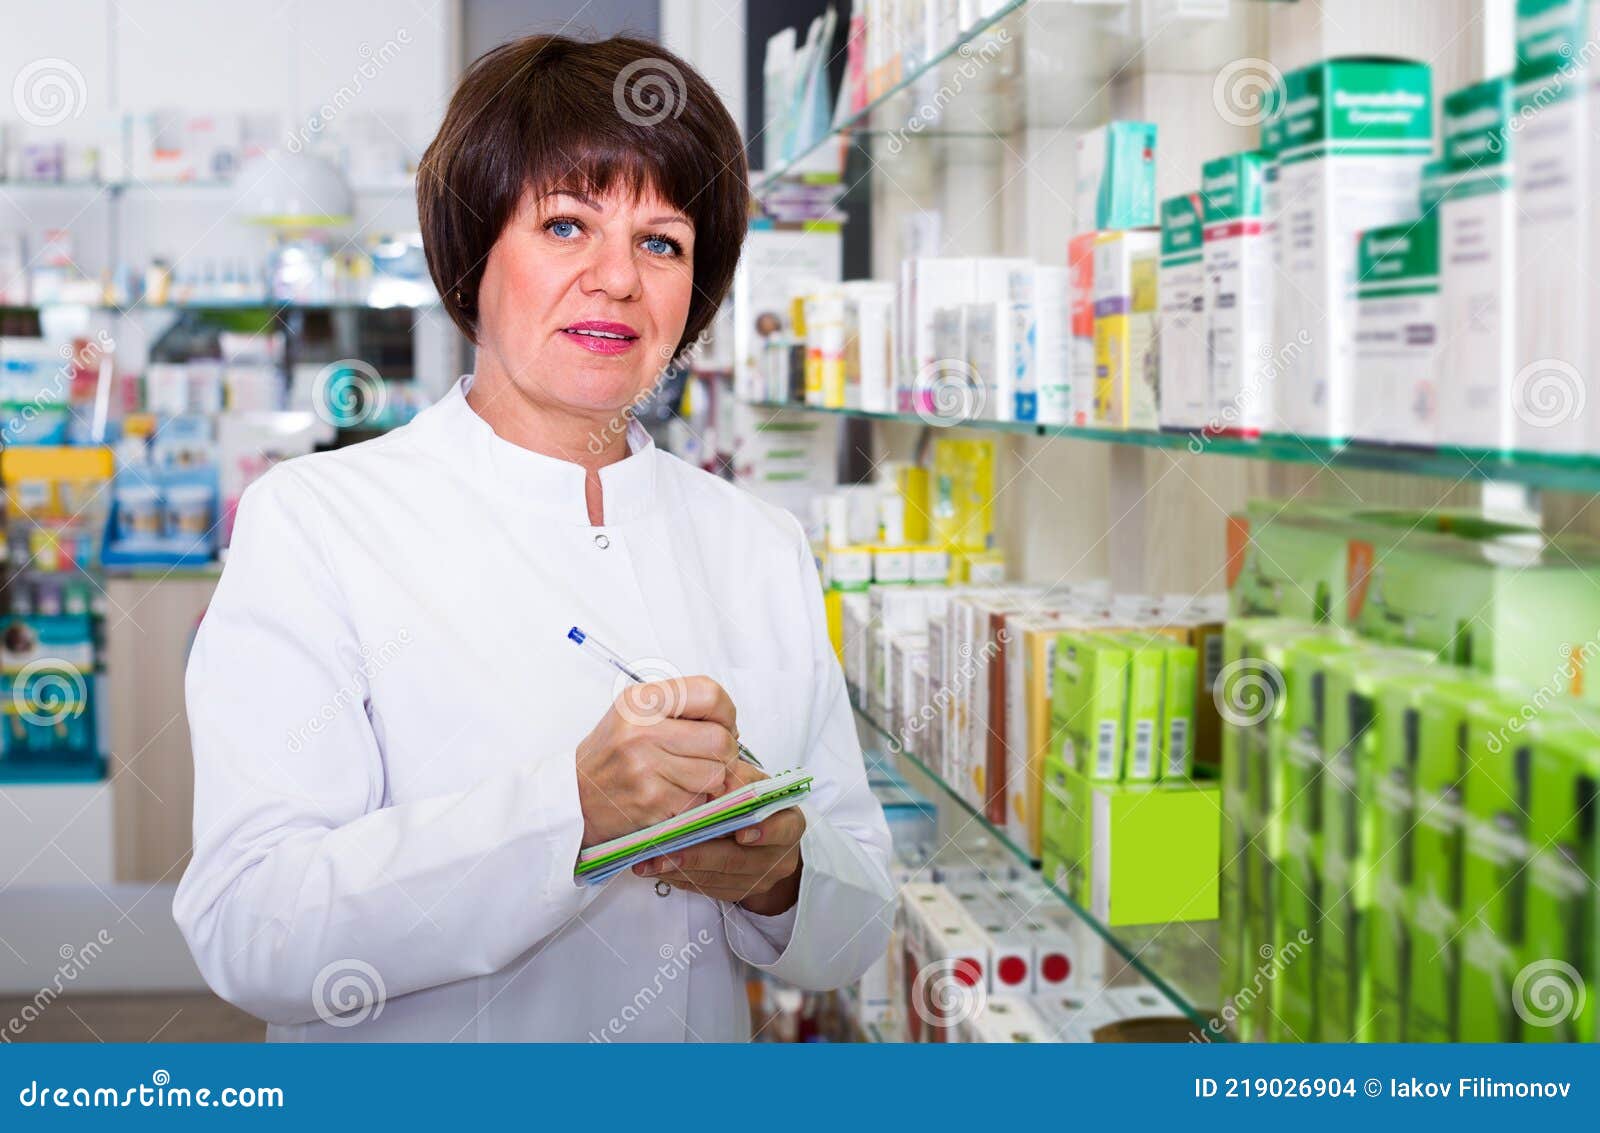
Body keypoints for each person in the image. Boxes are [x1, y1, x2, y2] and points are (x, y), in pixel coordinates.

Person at [173, 33, 893, 1042]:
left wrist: (780, 878)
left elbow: (859, 924)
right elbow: (253, 925)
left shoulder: (759, 543)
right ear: (474, 253)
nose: (618, 278)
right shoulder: (319, 520)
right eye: (565, 225)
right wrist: (574, 812)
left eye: (662, 242)